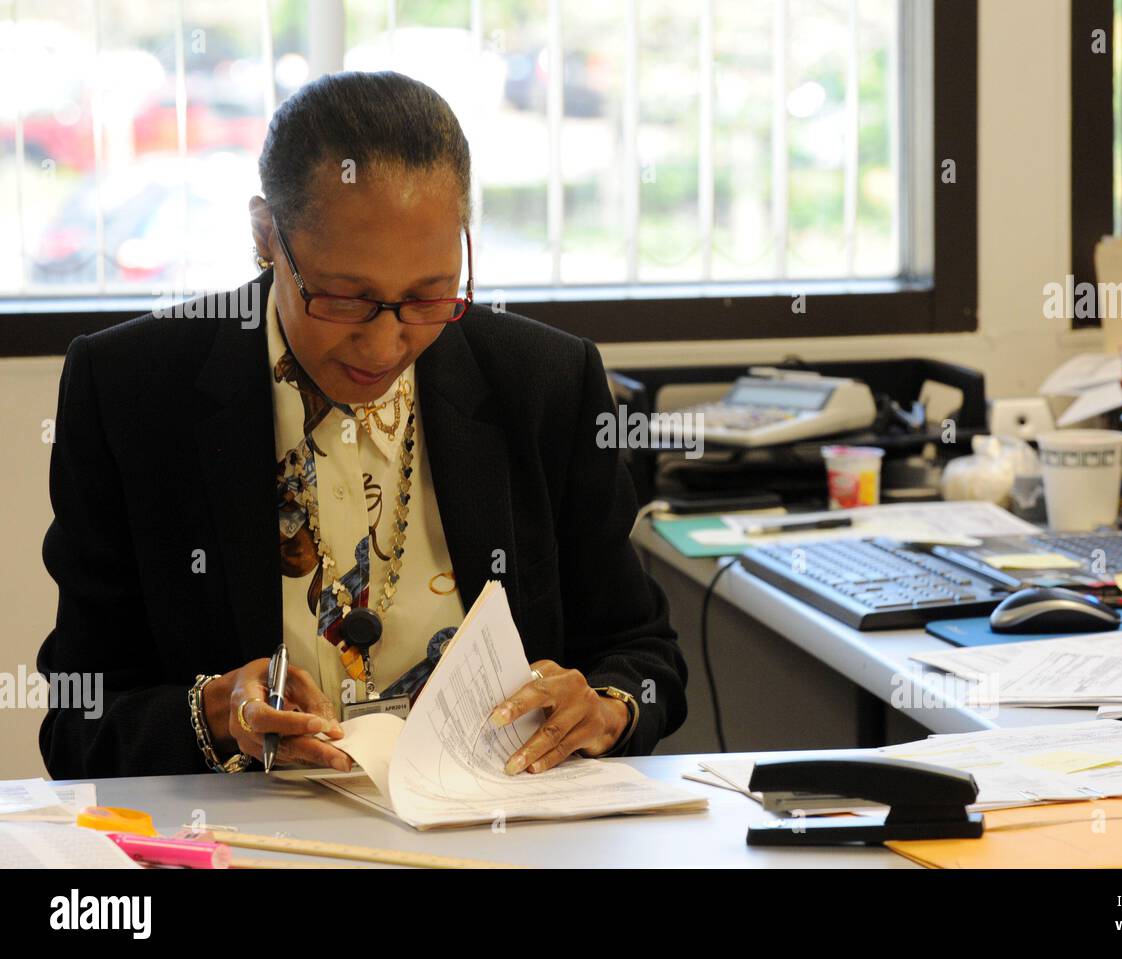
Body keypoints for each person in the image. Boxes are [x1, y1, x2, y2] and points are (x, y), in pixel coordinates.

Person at [38, 71, 686, 779]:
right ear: (266, 237)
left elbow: (644, 653)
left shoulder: (543, 383)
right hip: (256, 842)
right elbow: (80, 721)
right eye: (346, 299)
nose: (385, 346)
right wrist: (216, 711)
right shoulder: (133, 390)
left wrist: (604, 707)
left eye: (429, 296)